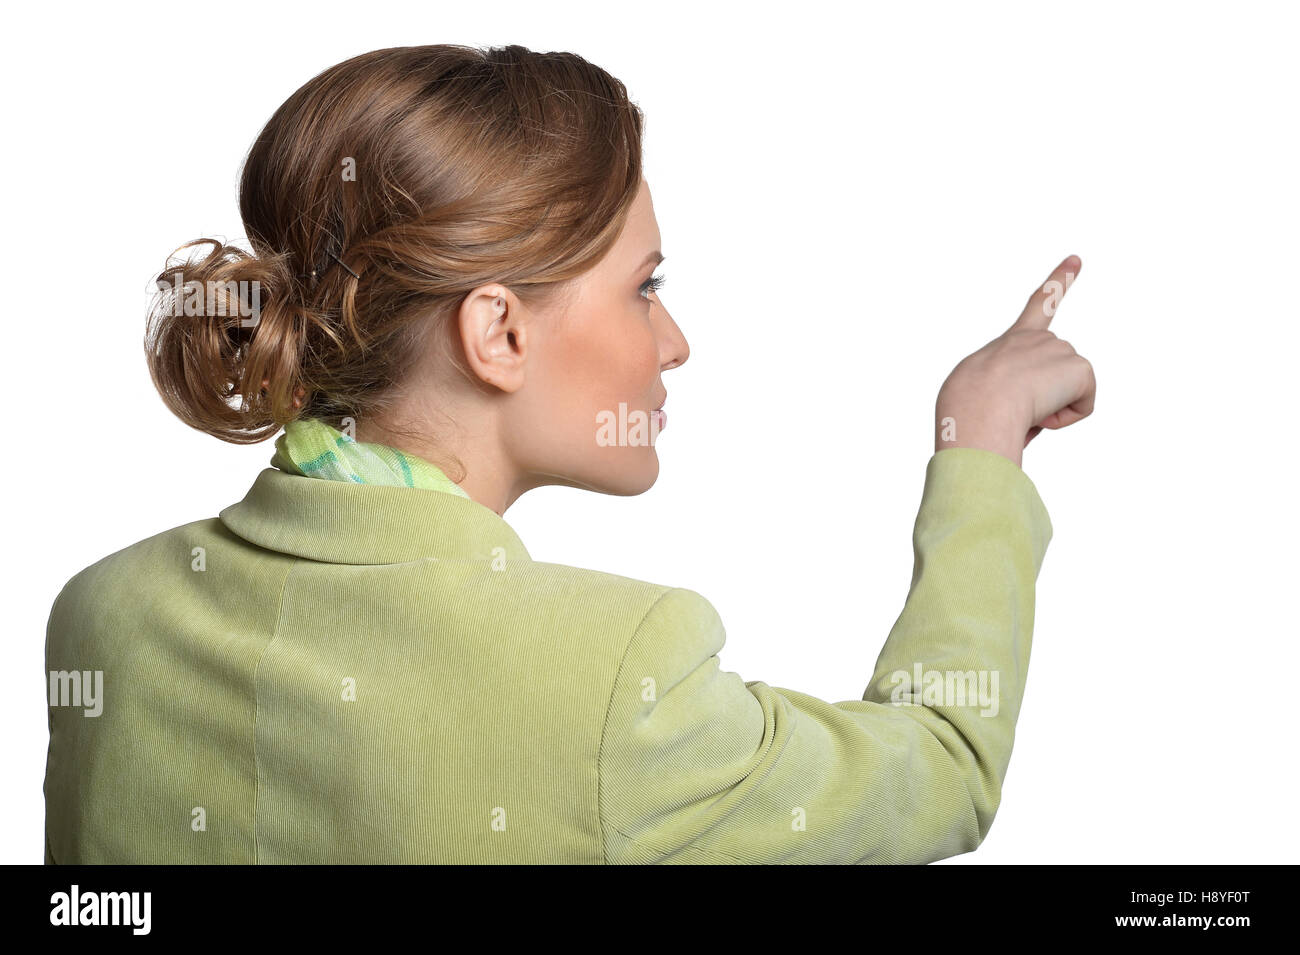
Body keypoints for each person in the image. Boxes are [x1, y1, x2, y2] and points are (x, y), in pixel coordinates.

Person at [43, 43, 1095, 864]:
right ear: (498, 333)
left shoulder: (104, 615)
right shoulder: (621, 678)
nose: (674, 342)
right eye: (647, 285)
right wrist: (982, 434)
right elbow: (942, 767)